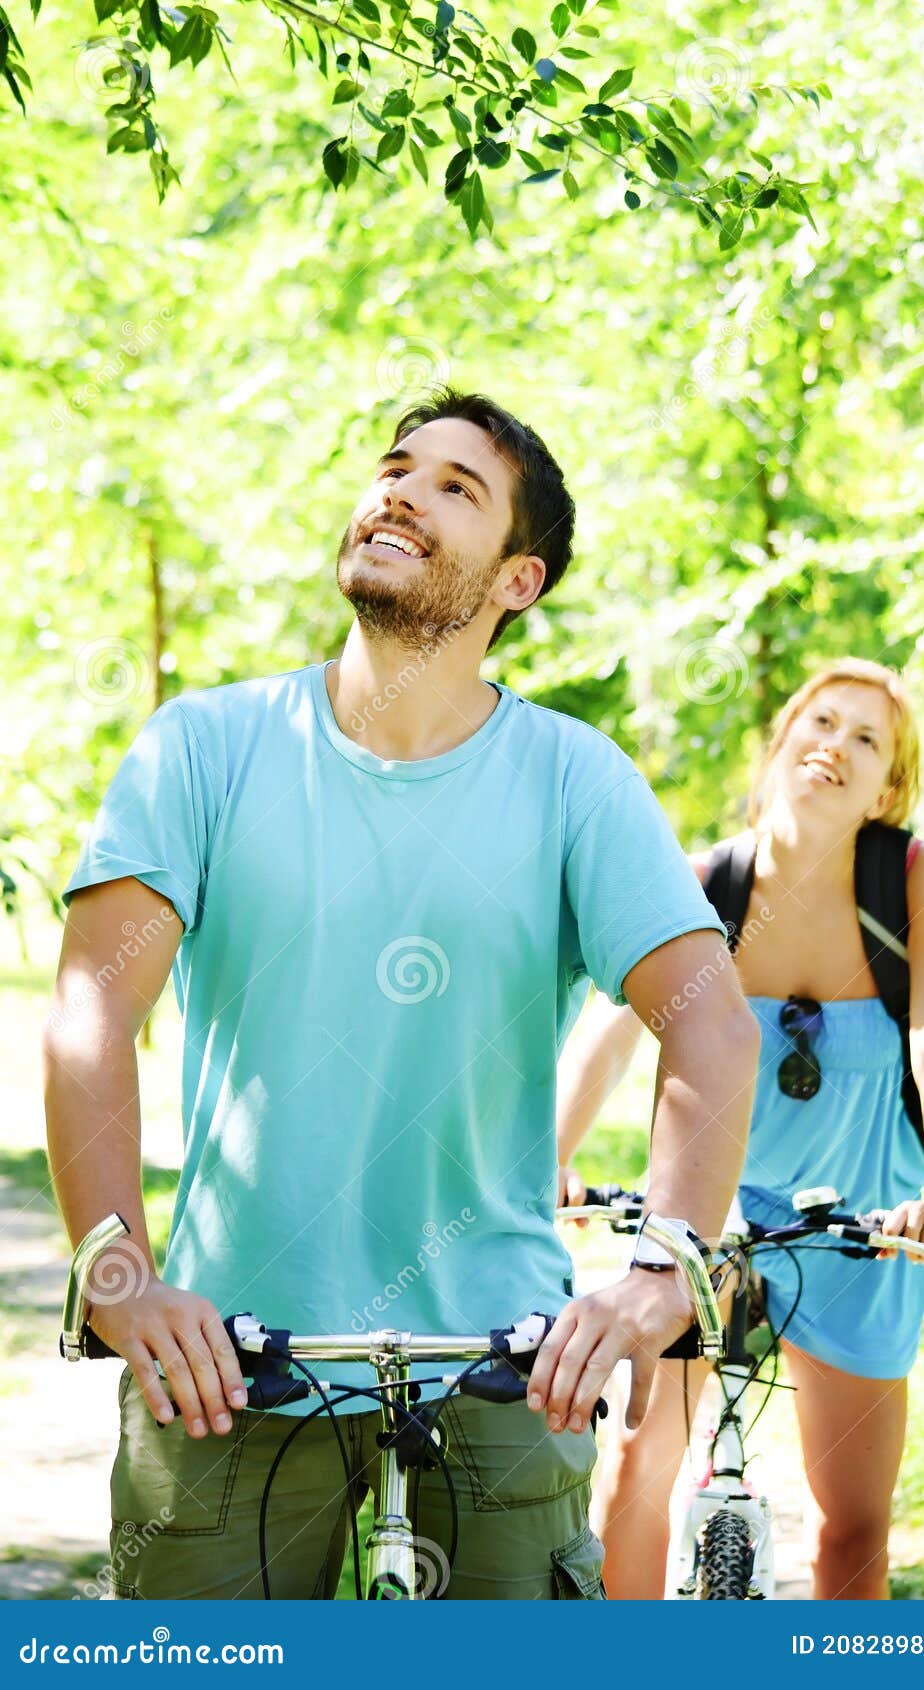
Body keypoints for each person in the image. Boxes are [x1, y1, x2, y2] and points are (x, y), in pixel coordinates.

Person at [44, 388, 760, 1600]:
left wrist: (659, 1273)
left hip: (504, 1369)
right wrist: (116, 1266)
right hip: (228, 1362)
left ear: (517, 582)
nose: (399, 491)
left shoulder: (576, 778)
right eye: (395, 467)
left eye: (454, 487)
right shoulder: (201, 747)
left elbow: (711, 1023)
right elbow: (92, 1012)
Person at [557, 659, 924, 1599]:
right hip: (702, 1222)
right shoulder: (705, 882)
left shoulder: (913, 876)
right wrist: (544, 1161)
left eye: (866, 738)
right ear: (782, 743)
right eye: (820, 722)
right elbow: (608, 1035)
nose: (835, 745)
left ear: (890, 786)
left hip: (865, 1226)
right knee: (635, 1474)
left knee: (855, 1525)